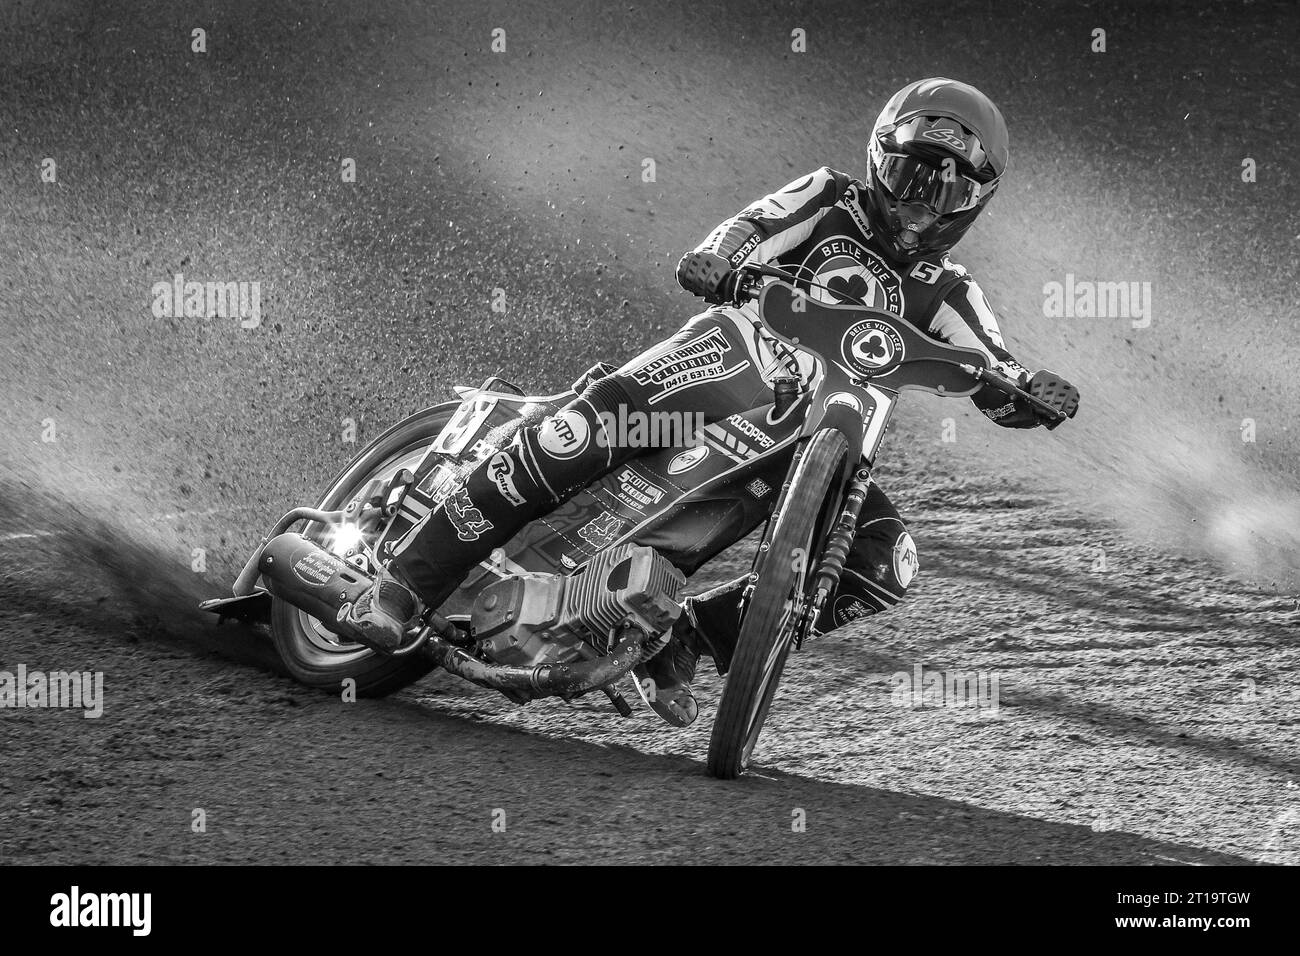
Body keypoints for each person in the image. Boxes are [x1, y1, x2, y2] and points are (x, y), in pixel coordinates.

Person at [346, 77, 1080, 726]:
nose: (921, 199)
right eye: (911, 173)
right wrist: (720, 259)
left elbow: (993, 367)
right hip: (731, 356)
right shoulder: (830, 197)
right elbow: (752, 225)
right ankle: (403, 585)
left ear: (974, 200)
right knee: (577, 436)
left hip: (823, 431)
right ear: (878, 159)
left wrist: (1029, 394)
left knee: (887, 561)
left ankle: (685, 642)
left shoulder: (952, 291)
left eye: (945, 186)